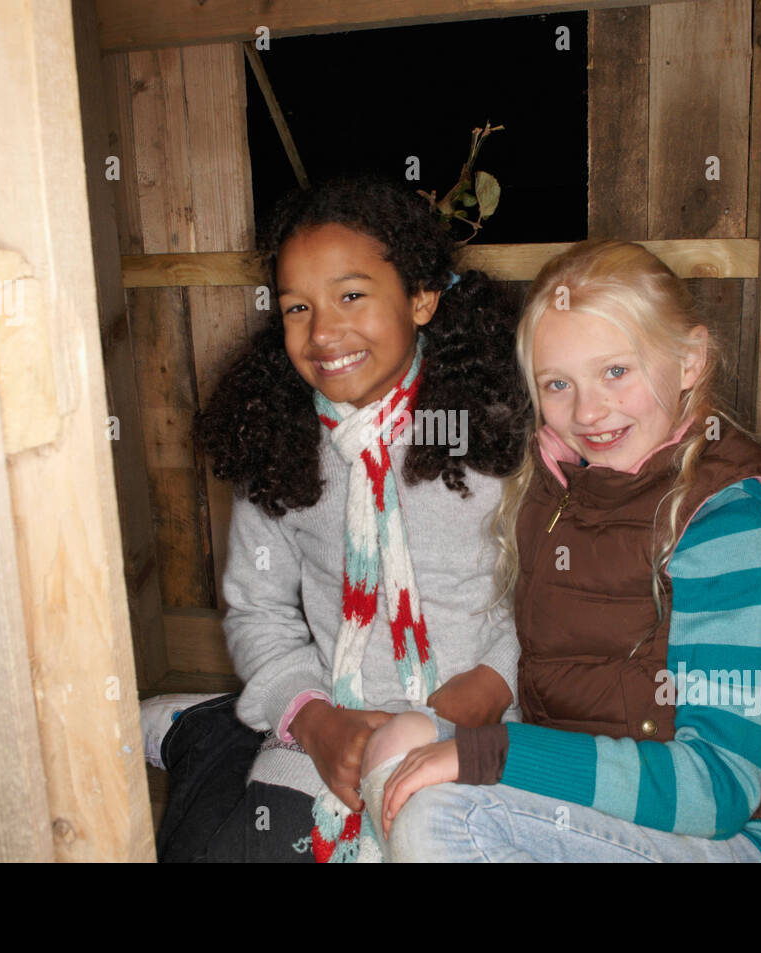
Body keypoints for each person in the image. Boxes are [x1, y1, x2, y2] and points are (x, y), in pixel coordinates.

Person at [369, 239, 761, 862]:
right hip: (619, 818)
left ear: (689, 361)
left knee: (445, 819)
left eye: (615, 371)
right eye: (557, 383)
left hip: (747, 840)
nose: (588, 411)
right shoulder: (561, 489)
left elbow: (719, 788)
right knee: (400, 739)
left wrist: (494, 754)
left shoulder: (733, 524)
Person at [155, 177, 530, 862]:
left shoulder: (492, 430)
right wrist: (316, 720)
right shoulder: (280, 445)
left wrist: (493, 684)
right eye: (297, 306)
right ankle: (202, 733)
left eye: (351, 295)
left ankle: (209, 729)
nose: (323, 332)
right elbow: (258, 610)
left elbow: (542, 588)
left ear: (421, 295)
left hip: (484, 721)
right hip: (334, 730)